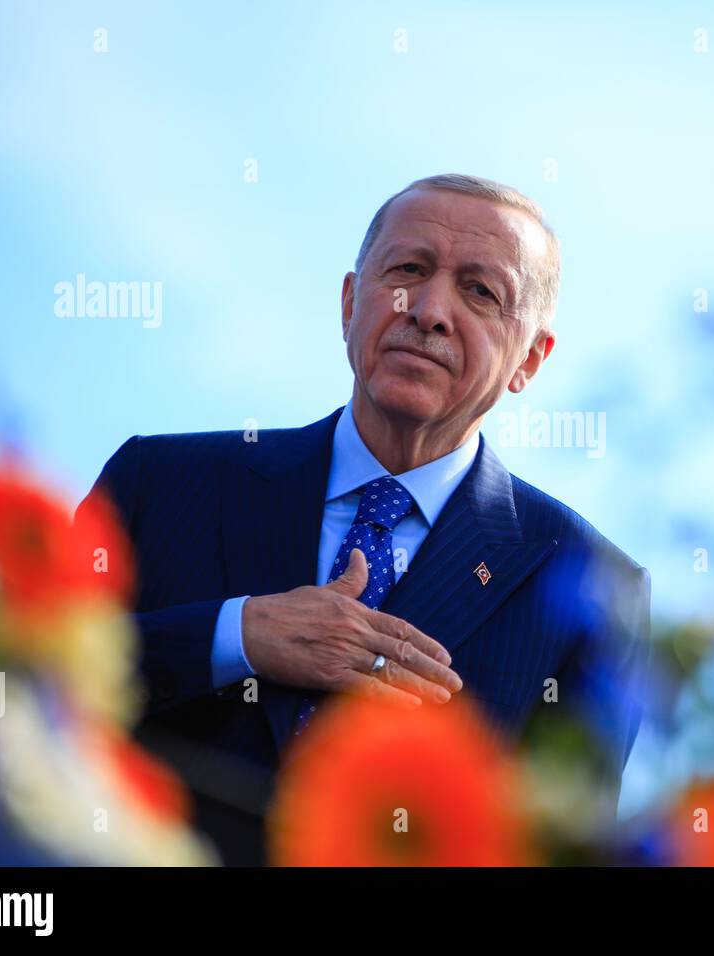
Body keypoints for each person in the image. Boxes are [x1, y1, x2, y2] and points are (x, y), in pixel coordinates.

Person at [79, 174, 651, 864]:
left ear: (529, 359)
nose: (431, 310)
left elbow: (563, 846)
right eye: (408, 270)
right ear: (351, 302)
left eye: (481, 291)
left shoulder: (591, 587)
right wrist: (236, 634)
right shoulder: (159, 482)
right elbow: (19, 686)